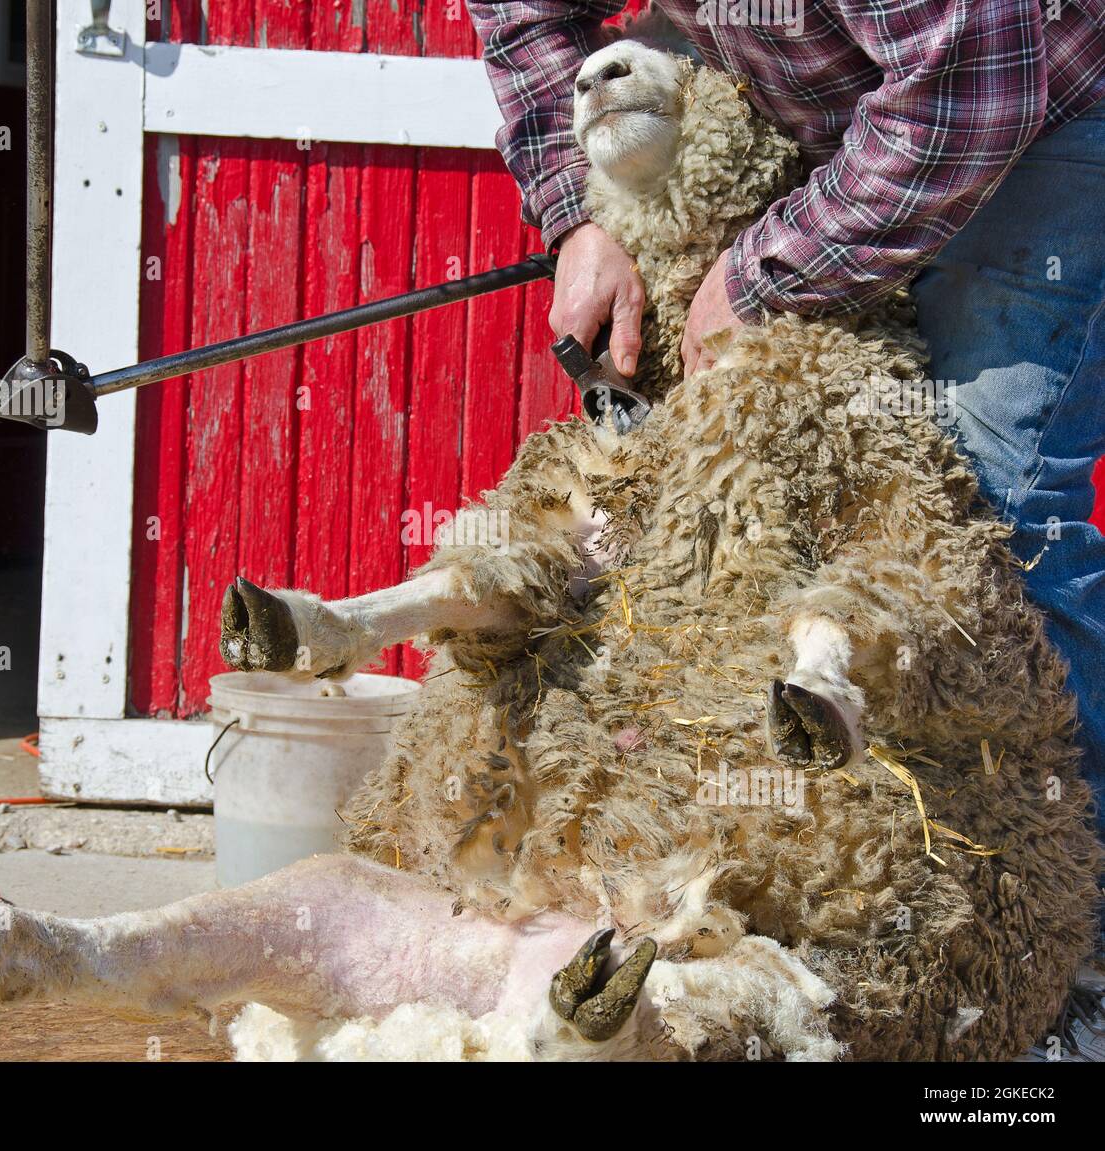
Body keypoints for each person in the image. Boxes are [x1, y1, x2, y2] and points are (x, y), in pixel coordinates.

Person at [465, 0, 1105, 835]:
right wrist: (582, 216)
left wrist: (764, 276)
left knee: (983, 511)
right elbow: (525, 17)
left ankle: (1061, 889)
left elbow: (973, 86)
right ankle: (844, 851)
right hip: (835, 120)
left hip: (1031, 108)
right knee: (733, 500)